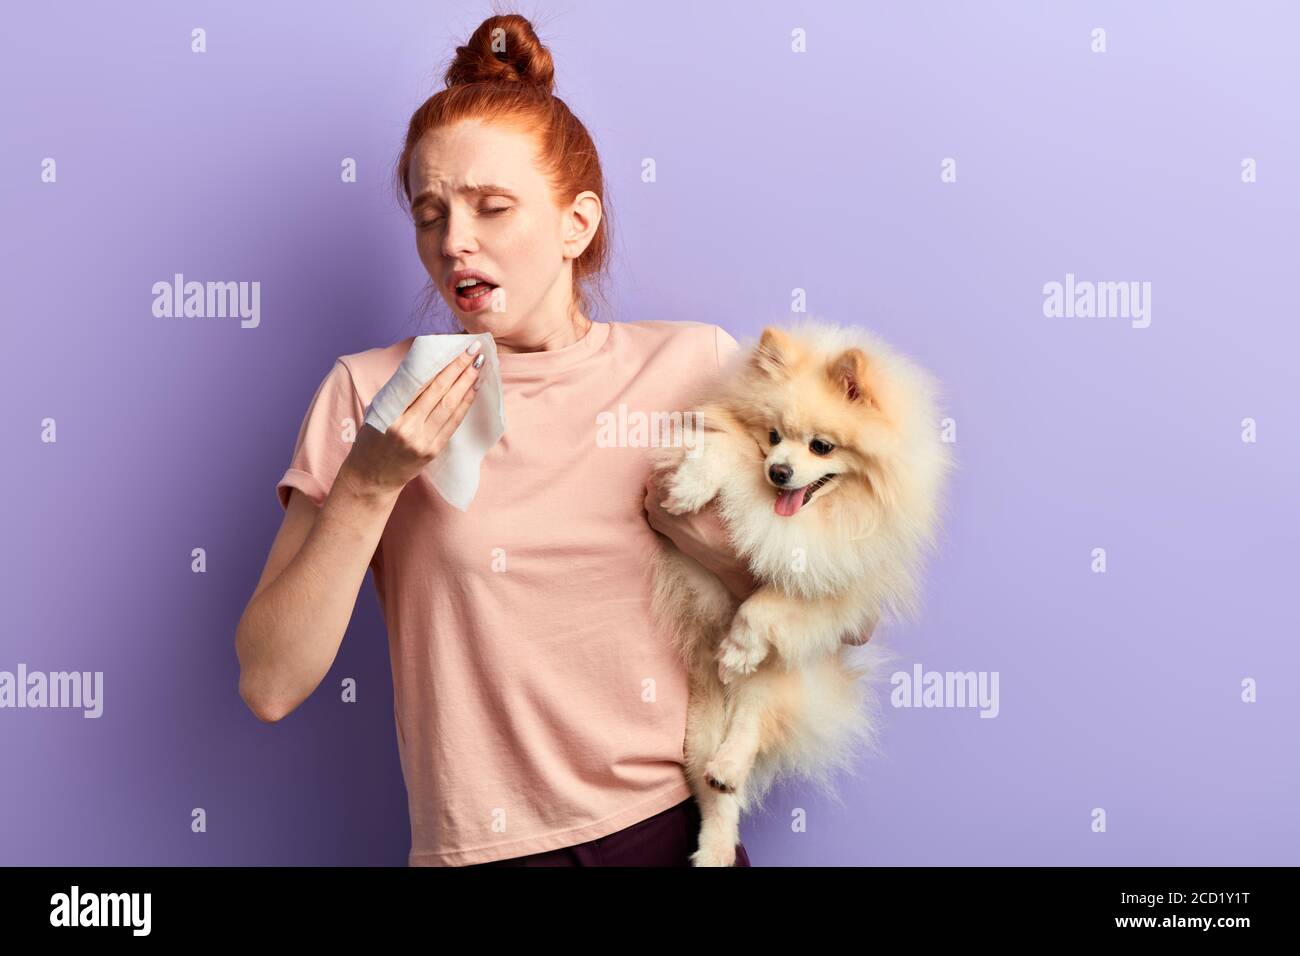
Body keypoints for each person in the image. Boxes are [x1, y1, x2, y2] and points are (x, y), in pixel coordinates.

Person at [235, 14, 868, 868]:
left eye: (493, 208)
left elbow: (844, 616)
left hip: (671, 835)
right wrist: (370, 484)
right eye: (431, 215)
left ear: (576, 225)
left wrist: (712, 551)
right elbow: (270, 683)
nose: (455, 241)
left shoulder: (698, 367)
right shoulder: (370, 394)